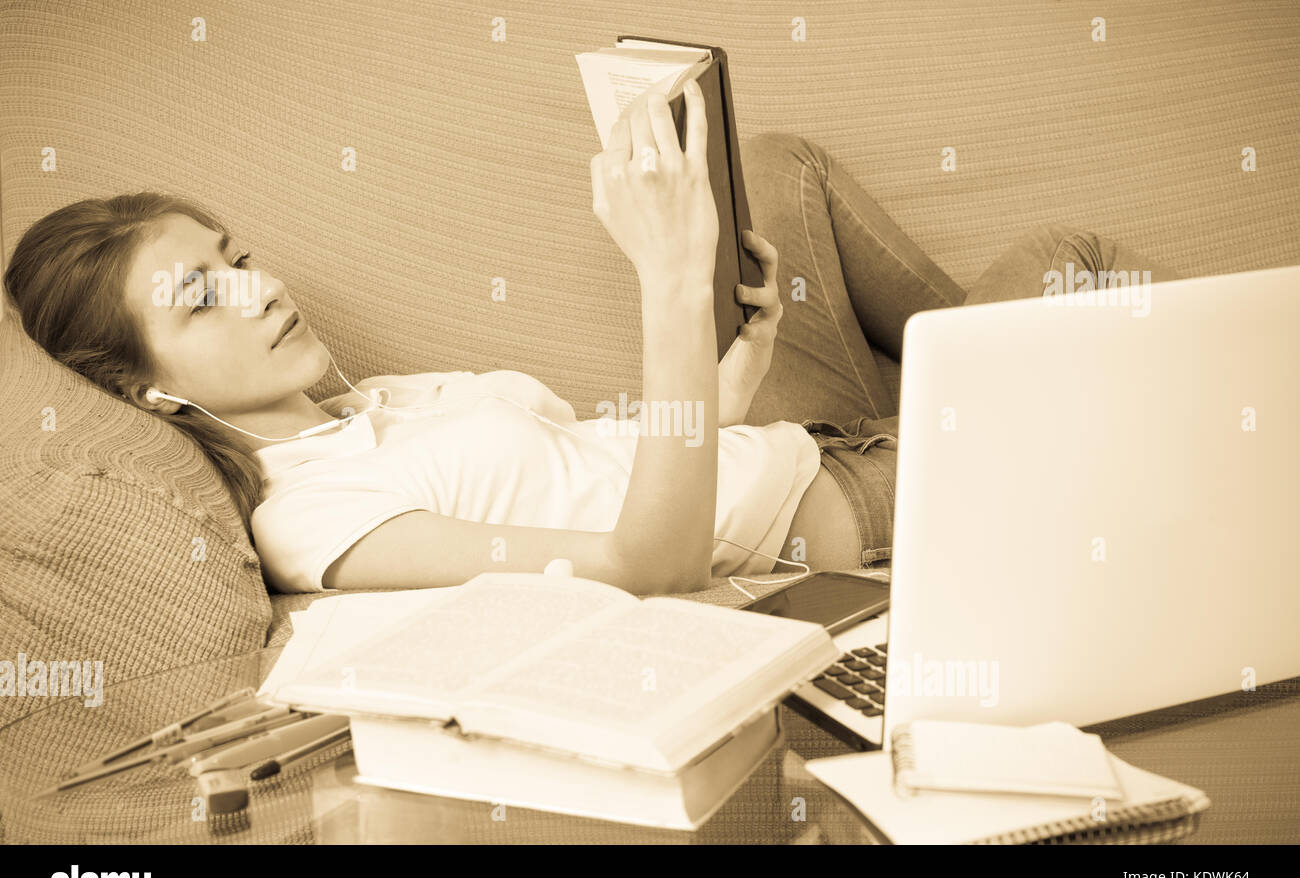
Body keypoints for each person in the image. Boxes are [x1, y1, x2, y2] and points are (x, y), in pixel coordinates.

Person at [2, 78, 1180, 596]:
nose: (253, 291)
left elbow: (621, 457)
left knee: (772, 168)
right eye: (196, 296)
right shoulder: (312, 521)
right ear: (147, 392)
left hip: (789, 433)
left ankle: (991, 383)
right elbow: (643, 563)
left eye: (236, 258)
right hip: (839, 516)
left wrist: (732, 370)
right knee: (1080, 267)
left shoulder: (377, 405)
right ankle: (1015, 398)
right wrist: (668, 288)